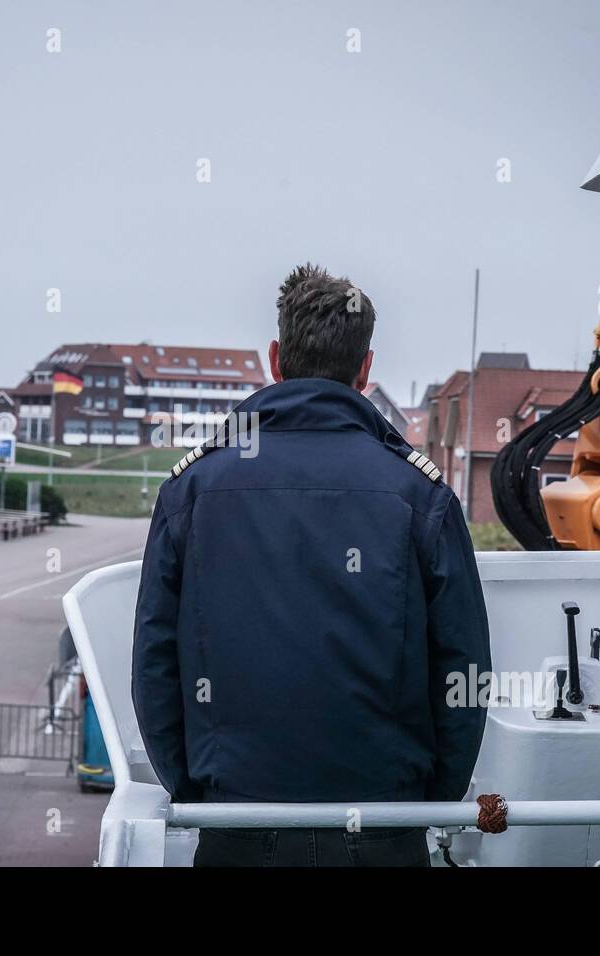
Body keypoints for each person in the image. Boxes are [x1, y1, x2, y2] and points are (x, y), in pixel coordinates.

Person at [132, 263, 491, 867]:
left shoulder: (193, 489)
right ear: (367, 369)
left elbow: (154, 664)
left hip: (236, 823)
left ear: (276, 357)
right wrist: (428, 801)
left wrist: (195, 790)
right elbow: (464, 668)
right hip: (384, 827)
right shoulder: (420, 495)